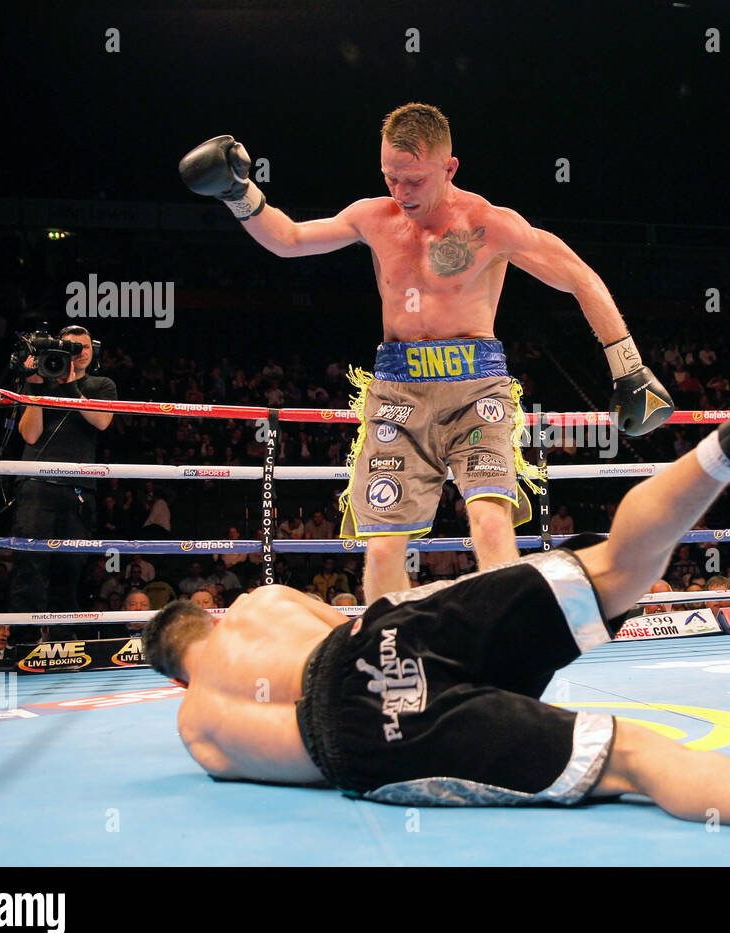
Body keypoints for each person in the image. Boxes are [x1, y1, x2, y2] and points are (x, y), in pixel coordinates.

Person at [142, 353, 730, 854]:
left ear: (179, 677)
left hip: (363, 730)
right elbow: (366, 606)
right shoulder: (264, 603)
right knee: (620, 567)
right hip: (386, 633)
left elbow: (257, 755)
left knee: (632, 756)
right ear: (212, 614)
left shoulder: (197, 727)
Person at [180, 104, 674, 604]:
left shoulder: (491, 225)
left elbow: (579, 276)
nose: (401, 191)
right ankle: (386, 657)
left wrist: (629, 368)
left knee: (490, 521)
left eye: (414, 180)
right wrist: (239, 194)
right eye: (391, 177)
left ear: (449, 168)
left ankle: (504, 646)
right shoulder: (373, 217)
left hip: (476, 389)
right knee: (381, 548)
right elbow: (288, 240)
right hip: (398, 391)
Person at [9, 325, 116, 641]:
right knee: (29, 565)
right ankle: (24, 642)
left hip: (78, 488)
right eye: (69, 346)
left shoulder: (101, 385)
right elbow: (29, 434)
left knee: (70, 568)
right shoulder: (40, 380)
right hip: (36, 485)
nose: (78, 351)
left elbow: (102, 421)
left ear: (92, 350)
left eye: (83, 346)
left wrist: (70, 383)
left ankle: (63, 640)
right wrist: (34, 387)